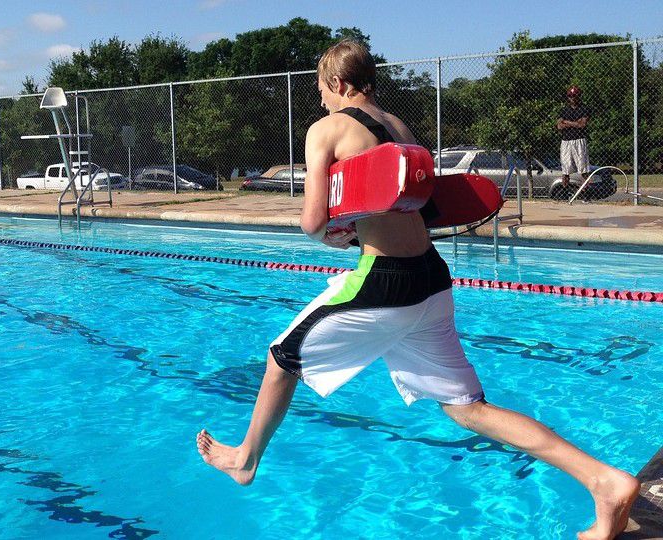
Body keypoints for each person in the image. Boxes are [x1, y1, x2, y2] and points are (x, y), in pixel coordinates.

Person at [196, 40, 638, 540]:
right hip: (430, 277)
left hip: (385, 282)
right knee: (469, 409)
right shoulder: (401, 129)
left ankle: (245, 460)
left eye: (321, 90)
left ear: (337, 85)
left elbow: (313, 222)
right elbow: (410, 206)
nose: (320, 100)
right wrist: (354, 228)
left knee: (281, 360)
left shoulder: (326, 129)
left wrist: (333, 234)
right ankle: (603, 480)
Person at [558, 85, 591, 188]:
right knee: (565, 170)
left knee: (583, 169)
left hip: (579, 140)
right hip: (566, 141)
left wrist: (566, 122)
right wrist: (575, 123)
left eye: (574, 96)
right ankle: (565, 192)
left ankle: (587, 194)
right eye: (570, 96)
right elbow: (559, 126)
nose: (572, 98)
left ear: (578, 96)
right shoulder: (564, 110)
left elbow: (582, 125)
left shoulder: (584, 108)